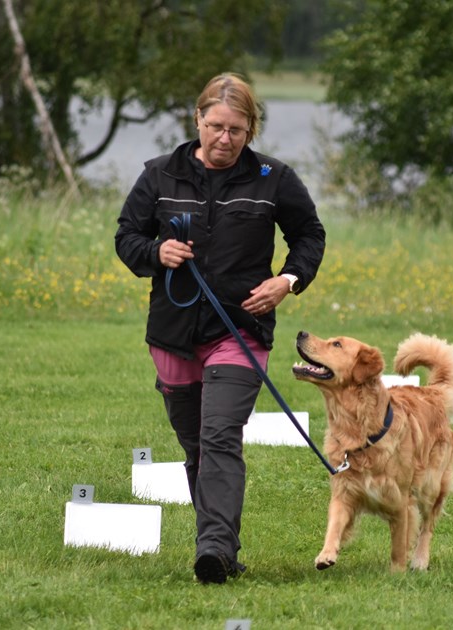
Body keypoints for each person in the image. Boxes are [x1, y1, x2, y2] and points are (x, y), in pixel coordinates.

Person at [114, 73, 326, 584]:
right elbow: (127, 237)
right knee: (195, 446)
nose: (224, 138)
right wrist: (156, 253)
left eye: (235, 129)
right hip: (172, 331)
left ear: (251, 128)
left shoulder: (275, 179)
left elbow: (309, 234)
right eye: (215, 126)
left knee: (220, 436)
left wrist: (288, 281)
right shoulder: (160, 175)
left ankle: (212, 551)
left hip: (240, 329)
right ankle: (223, 546)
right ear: (198, 121)